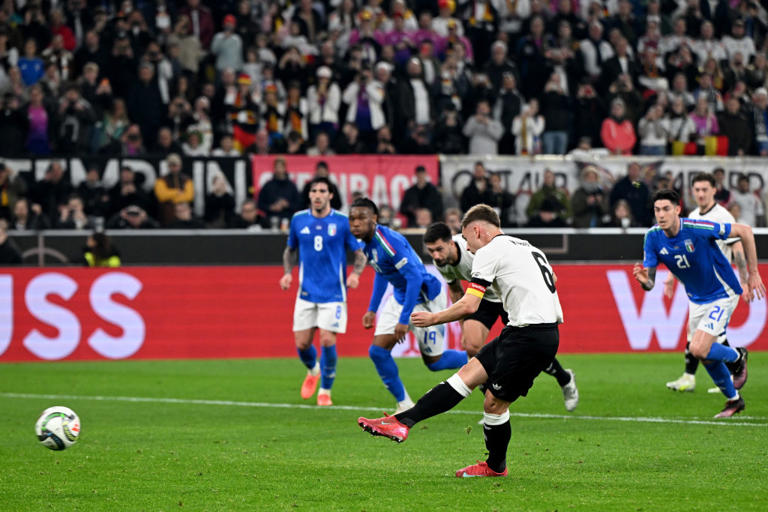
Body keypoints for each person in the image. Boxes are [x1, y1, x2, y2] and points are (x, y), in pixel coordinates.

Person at [358, 204, 563, 478]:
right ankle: (401, 422)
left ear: (477, 230)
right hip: (524, 330)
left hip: (531, 336)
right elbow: (553, 279)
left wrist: (433, 318)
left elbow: (468, 304)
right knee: (467, 375)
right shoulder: (526, 246)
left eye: (466, 239)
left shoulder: (490, 250)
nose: (467, 247)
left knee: (494, 403)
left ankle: (495, 467)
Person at [633, 189, 764, 418]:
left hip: (723, 293)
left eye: (666, 209)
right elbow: (650, 282)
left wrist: (752, 273)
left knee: (698, 348)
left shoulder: (697, 228)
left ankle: (737, 356)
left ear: (677, 210)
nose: (661, 215)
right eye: (657, 210)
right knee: (704, 354)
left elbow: (745, 231)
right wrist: (645, 282)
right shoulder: (652, 237)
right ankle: (734, 400)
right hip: (696, 299)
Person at [423, 222, 578, 411]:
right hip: (480, 297)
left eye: (439, 249)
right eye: (431, 251)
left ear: (451, 242)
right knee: (471, 345)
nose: (436, 256)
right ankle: (493, 403)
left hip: (506, 295)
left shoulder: (472, 249)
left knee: (527, 348)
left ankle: (565, 378)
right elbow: (456, 292)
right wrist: (463, 327)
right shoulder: (442, 262)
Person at [348, 197, 469, 413]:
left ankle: (477, 357)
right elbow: (381, 272)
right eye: (352, 219)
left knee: (435, 363)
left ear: (374, 219)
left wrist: (404, 321)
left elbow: (414, 278)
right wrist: (372, 309)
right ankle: (404, 404)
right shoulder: (364, 242)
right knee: (377, 352)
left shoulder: (388, 241)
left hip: (425, 299)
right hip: (400, 297)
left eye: (361, 218)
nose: (355, 223)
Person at [280, 177, 367, 406]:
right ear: (309, 195)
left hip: (334, 293)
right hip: (306, 292)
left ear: (330, 195)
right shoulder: (298, 219)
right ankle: (313, 370)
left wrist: (356, 274)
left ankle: (325, 391)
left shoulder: (341, 221)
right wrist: (288, 272)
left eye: (322, 191)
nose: (318, 194)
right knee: (302, 344)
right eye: (314, 190)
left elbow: (360, 253)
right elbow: (290, 250)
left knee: (327, 340)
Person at [663, 174, 751, 392]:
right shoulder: (693, 215)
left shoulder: (723, 216)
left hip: (721, 288)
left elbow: (737, 249)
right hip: (701, 288)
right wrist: (671, 277)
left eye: (705, 189)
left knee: (710, 336)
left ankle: (732, 371)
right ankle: (692, 377)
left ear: (715, 190)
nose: (700, 194)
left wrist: (745, 280)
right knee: (695, 334)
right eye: (697, 190)